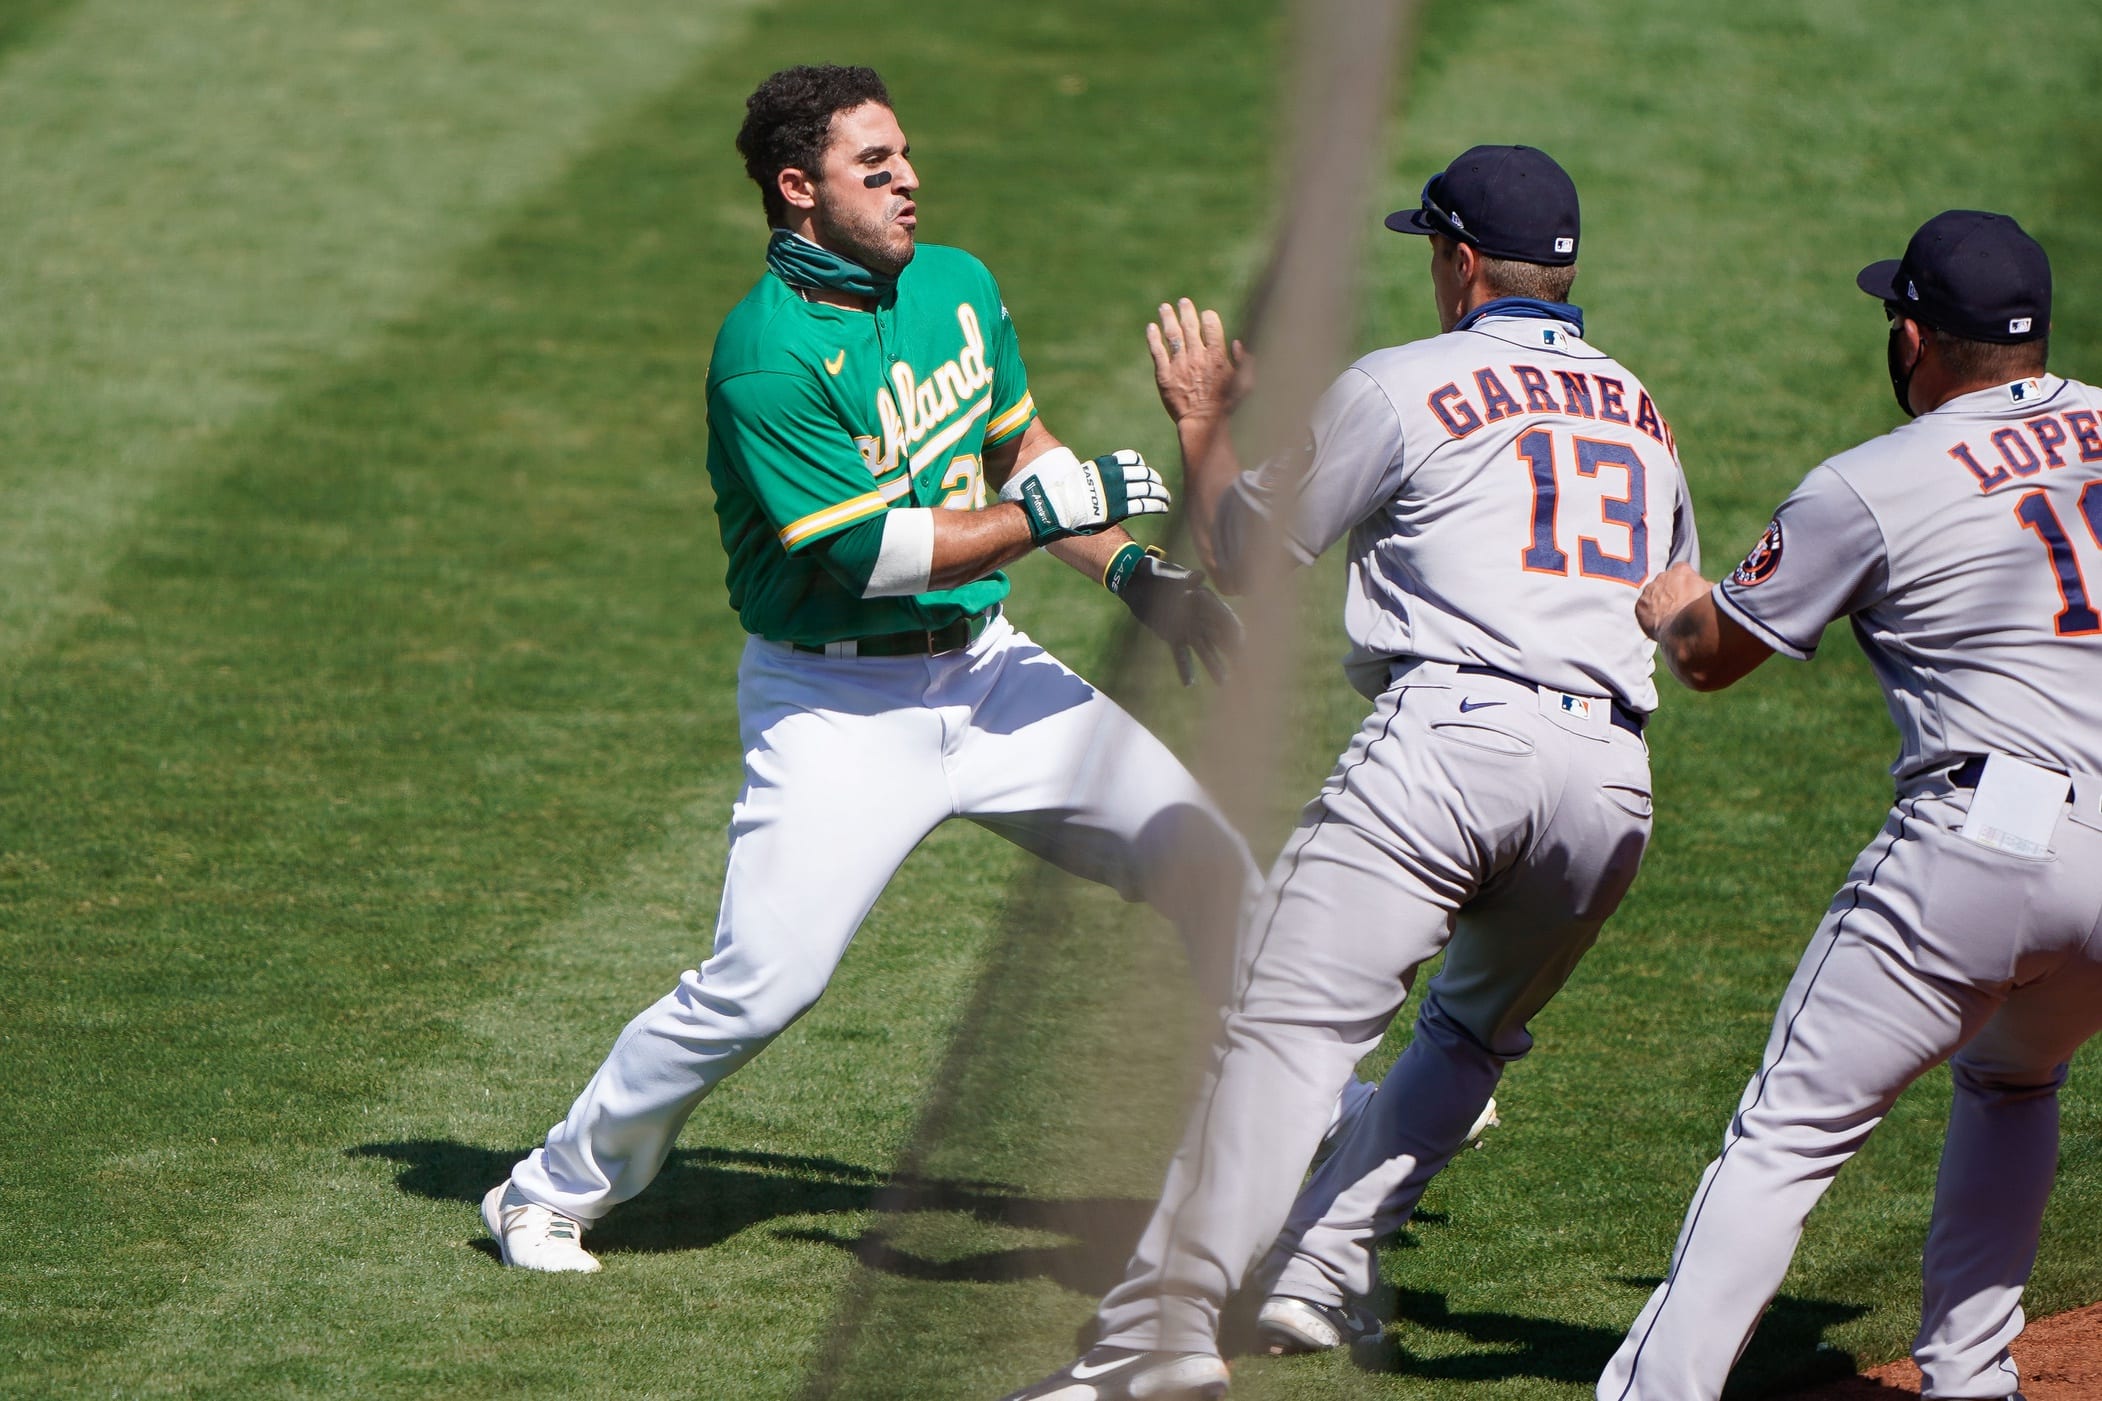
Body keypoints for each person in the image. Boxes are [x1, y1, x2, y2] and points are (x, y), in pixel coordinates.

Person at [480, 63, 1255, 1273]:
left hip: (990, 674)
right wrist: (1055, 510)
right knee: (761, 983)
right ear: (798, 190)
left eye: (904, 158)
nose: (908, 183)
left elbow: (1015, 447)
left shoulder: (953, 283)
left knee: (1211, 868)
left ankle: (1323, 1107)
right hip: (837, 704)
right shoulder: (764, 357)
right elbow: (871, 553)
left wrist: (1125, 572)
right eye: (874, 168)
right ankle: (546, 1189)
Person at [1001, 144, 1699, 1400]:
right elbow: (1669, 608)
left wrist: (1203, 420)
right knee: (1471, 1033)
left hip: (1448, 746)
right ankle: (1322, 1275)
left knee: (1282, 1034)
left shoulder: (1401, 380)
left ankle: (1150, 1344)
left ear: (1460, 262)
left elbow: (1242, 556)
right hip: (1609, 780)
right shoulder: (1641, 413)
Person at [1599, 210, 2102, 1401]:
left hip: (1988, 838)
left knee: (1785, 1132)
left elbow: (1715, 657)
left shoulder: (1872, 479)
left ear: (1914, 337)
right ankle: (1971, 1379)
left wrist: (1673, 605)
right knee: (2013, 1077)